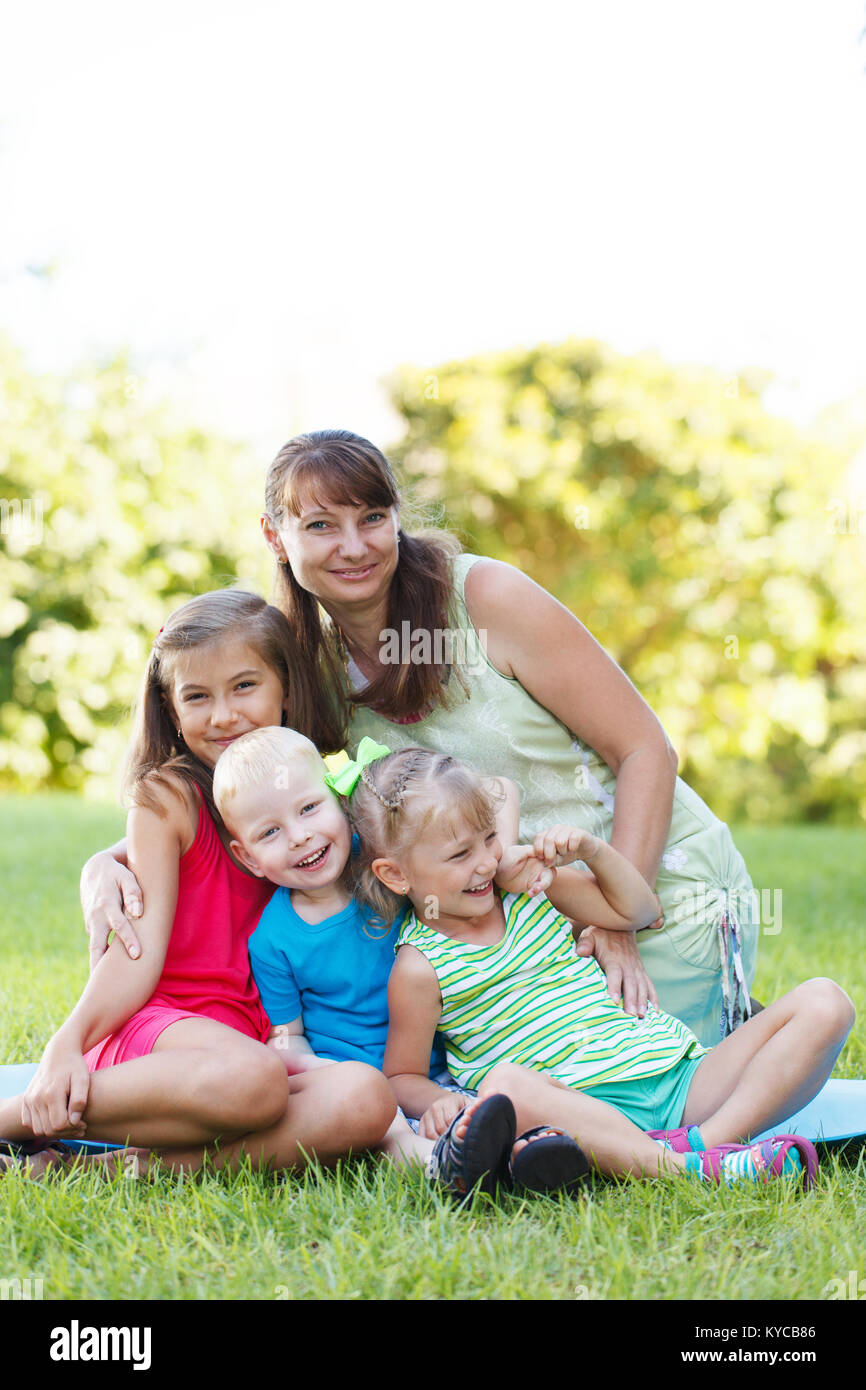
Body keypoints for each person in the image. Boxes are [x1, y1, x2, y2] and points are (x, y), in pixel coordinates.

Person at [84, 428, 754, 1044]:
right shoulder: (309, 664)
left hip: (650, 881)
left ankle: (735, 1019)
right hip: (507, 916)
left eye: (372, 518)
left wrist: (613, 914)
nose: (354, 546)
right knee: (529, 1105)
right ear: (274, 536)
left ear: (397, 518)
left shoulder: (485, 597)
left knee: (645, 1088)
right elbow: (274, 789)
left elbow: (645, 749)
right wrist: (116, 856)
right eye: (321, 525)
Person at [0, 591, 396, 1176]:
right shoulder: (166, 799)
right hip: (164, 1031)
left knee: (365, 1097)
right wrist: (66, 1043)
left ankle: (112, 1169)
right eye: (197, 697)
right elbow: (136, 953)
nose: (223, 715)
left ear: (285, 686)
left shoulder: (315, 787)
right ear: (171, 709)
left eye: (244, 686)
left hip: (256, 1044)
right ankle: (19, 1114)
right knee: (254, 1080)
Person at [348, 744, 855, 1187]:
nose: (485, 862)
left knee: (826, 1002)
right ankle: (689, 1167)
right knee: (504, 1084)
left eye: (488, 839)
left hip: (678, 1078)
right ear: (395, 875)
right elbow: (402, 1075)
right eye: (460, 854)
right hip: (579, 1109)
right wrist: (442, 1101)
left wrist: (592, 852)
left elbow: (638, 911)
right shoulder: (420, 966)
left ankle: (702, 1150)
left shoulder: (532, 889)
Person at [210, 724, 590, 1196]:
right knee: (389, 1126)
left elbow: (500, 790)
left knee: (488, 1103)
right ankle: (445, 1166)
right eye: (270, 831)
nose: (299, 837)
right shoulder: (273, 939)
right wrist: (334, 1075)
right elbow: (288, 1039)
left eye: (309, 808)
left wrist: (502, 856)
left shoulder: (387, 876)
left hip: (439, 1070)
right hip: (357, 1087)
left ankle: (522, 1155)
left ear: (340, 803)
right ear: (247, 857)